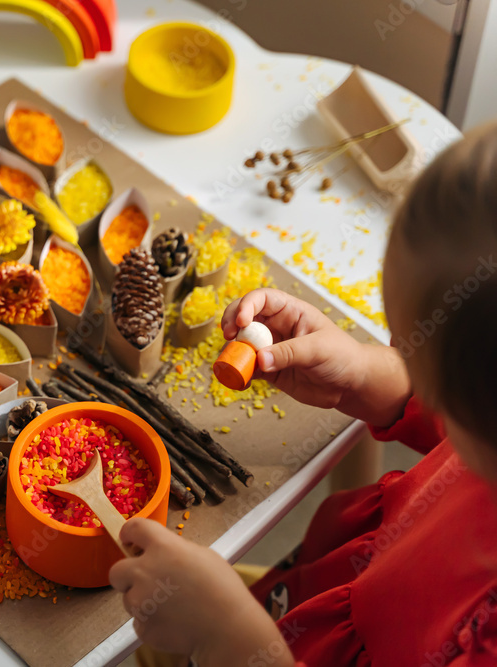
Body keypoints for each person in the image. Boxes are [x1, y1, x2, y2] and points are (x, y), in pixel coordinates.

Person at [109, 122, 497, 667]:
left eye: (426, 375)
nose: (408, 367)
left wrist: (230, 635)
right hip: (313, 595)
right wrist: (372, 378)